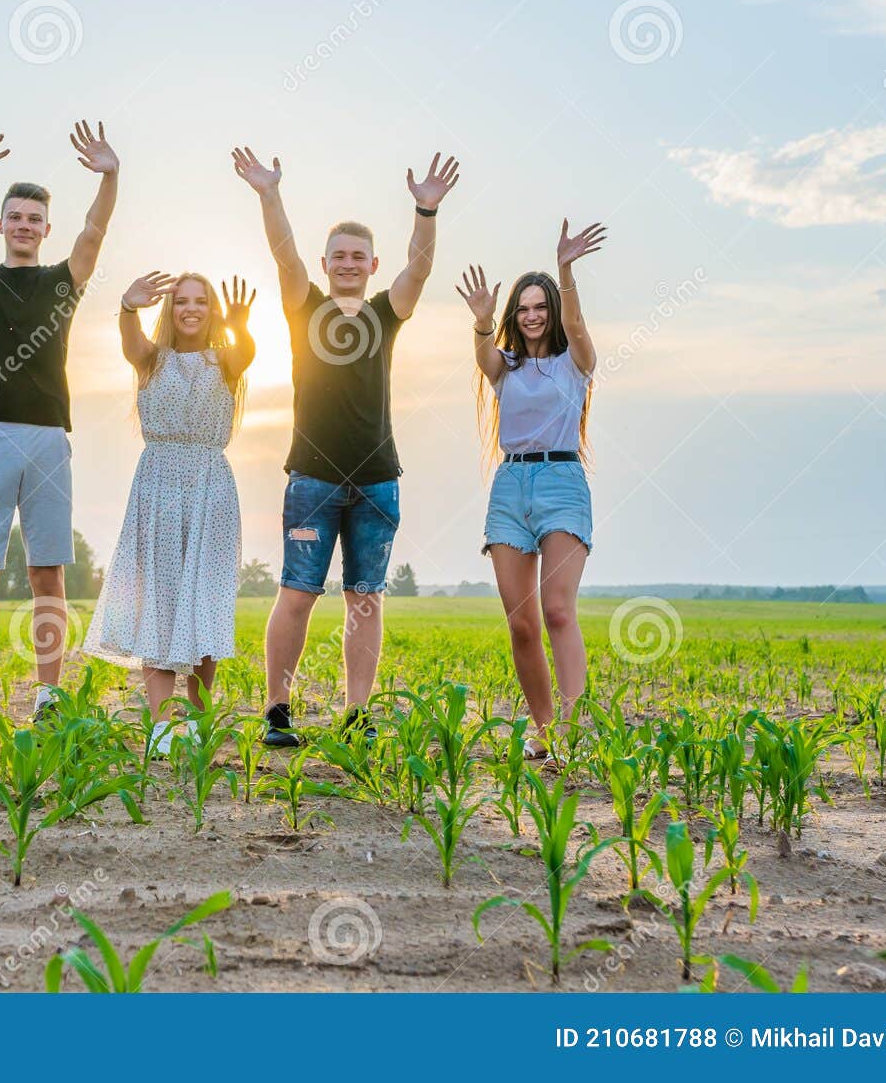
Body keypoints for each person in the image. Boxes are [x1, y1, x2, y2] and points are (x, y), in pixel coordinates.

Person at [231, 145, 460, 747]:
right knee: (298, 594)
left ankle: (357, 716)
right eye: (340, 256)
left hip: (378, 481)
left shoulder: (388, 312)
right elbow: (282, 256)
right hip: (311, 479)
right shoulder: (302, 305)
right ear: (326, 263)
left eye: (360, 257)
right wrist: (269, 194)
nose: (350, 264)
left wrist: (425, 212)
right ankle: (277, 713)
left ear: (372, 263)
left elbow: (420, 269)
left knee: (365, 600)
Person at [0, 120, 119, 746]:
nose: (23, 225)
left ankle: (49, 696)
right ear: (2, 226)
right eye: (14, 216)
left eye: (34, 218)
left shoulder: (61, 282)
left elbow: (95, 233)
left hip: (49, 436)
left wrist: (109, 176)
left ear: (46, 228)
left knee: (49, 573)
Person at [81, 271, 256, 755]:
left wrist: (240, 325)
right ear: (171, 309)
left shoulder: (226, 361)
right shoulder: (151, 360)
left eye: (202, 301)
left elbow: (246, 354)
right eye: (182, 301)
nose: (192, 309)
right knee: (155, 602)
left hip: (210, 489)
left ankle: (199, 726)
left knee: (203, 603)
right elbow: (130, 340)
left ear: (212, 309)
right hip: (157, 484)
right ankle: (159, 729)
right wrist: (126, 305)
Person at [459, 218, 607, 760]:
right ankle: (544, 730)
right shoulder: (507, 367)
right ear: (513, 317)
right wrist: (480, 323)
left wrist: (564, 270)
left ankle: (571, 730)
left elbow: (577, 323)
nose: (532, 315)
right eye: (522, 308)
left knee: (557, 611)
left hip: (562, 484)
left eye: (539, 305)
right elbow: (484, 357)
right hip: (510, 487)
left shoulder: (576, 364)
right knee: (521, 622)